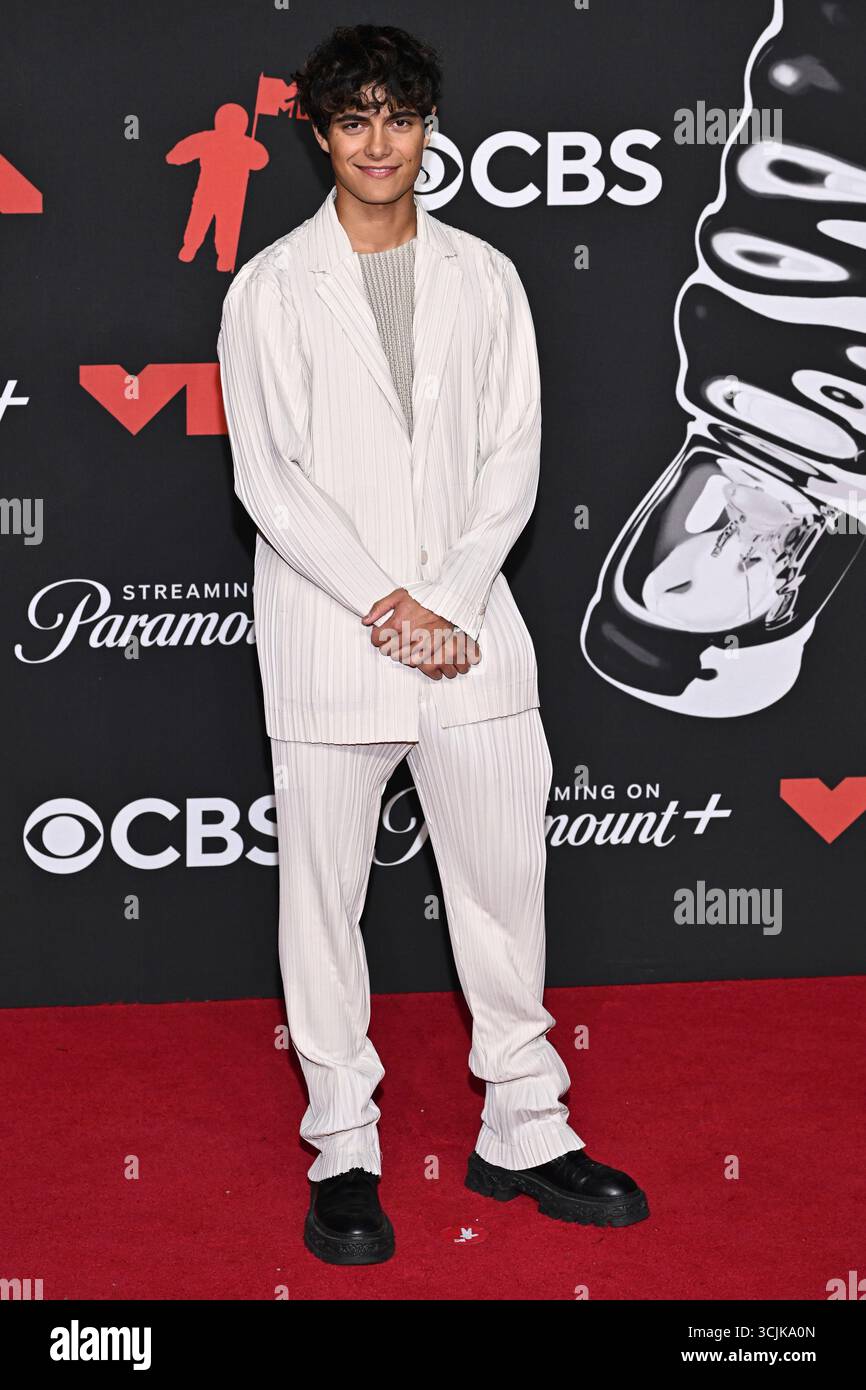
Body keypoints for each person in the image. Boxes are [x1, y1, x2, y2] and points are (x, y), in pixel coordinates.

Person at [217, 22, 649, 1266]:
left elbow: (511, 461)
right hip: (327, 635)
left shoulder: (489, 276)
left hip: (470, 640)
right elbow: (271, 480)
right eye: (351, 119)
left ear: (427, 127)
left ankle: (523, 1124)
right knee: (323, 908)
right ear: (316, 132)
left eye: (397, 117)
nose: (377, 142)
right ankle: (343, 1145)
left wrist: (446, 602)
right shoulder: (267, 287)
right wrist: (383, 605)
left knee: (505, 891)